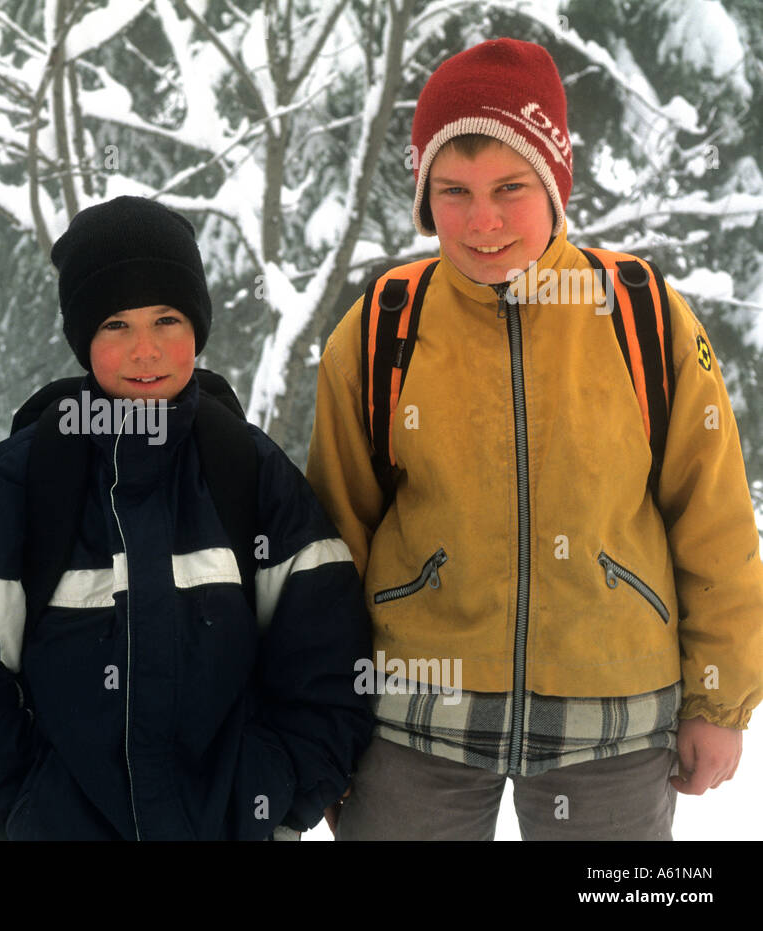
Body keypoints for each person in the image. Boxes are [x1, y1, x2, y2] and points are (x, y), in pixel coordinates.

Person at [306, 38, 763, 839]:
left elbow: (715, 524)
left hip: (612, 721)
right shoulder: (384, 325)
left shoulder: (640, 315)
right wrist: (316, 716)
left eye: (511, 187)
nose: (483, 220)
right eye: (454, 191)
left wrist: (719, 702)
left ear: (555, 186)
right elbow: (330, 542)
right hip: (415, 721)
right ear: (424, 197)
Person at [0, 195, 373, 840]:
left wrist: (275, 791)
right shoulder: (24, 478)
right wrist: (18, 803)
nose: (145, 350)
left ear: (198, 327)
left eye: (167, 319)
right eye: (115, 325)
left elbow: (324, 655)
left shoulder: (248, 468)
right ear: (82, 338)